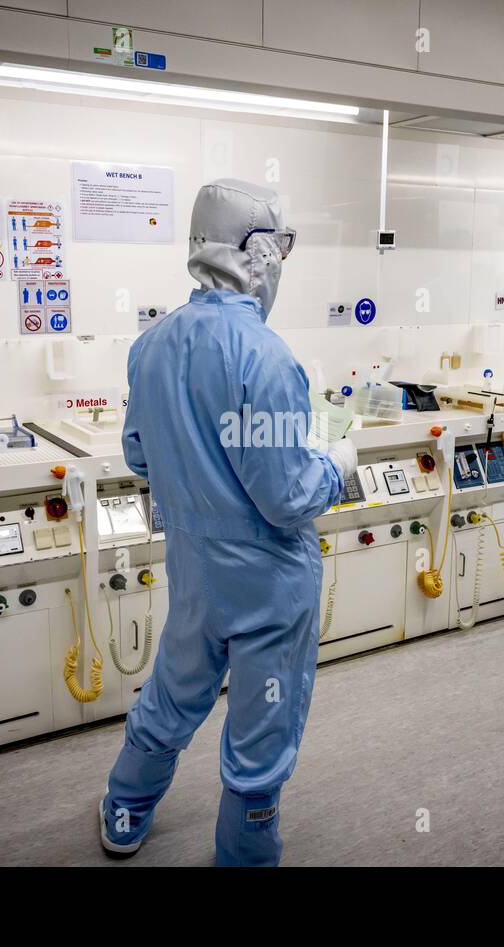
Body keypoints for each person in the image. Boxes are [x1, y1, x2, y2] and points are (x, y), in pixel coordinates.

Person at [98, 179, 356, 865]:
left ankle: (126, 807)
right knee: (261, 728)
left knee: (174, 694)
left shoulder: (151, 345)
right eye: (284, 248)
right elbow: (286, 497)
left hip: (195, 577)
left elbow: (136, 453)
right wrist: (338, 461)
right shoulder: (266, 356)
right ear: (258, 251)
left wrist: (198, 479)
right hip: (268, 586)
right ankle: (245, 854)